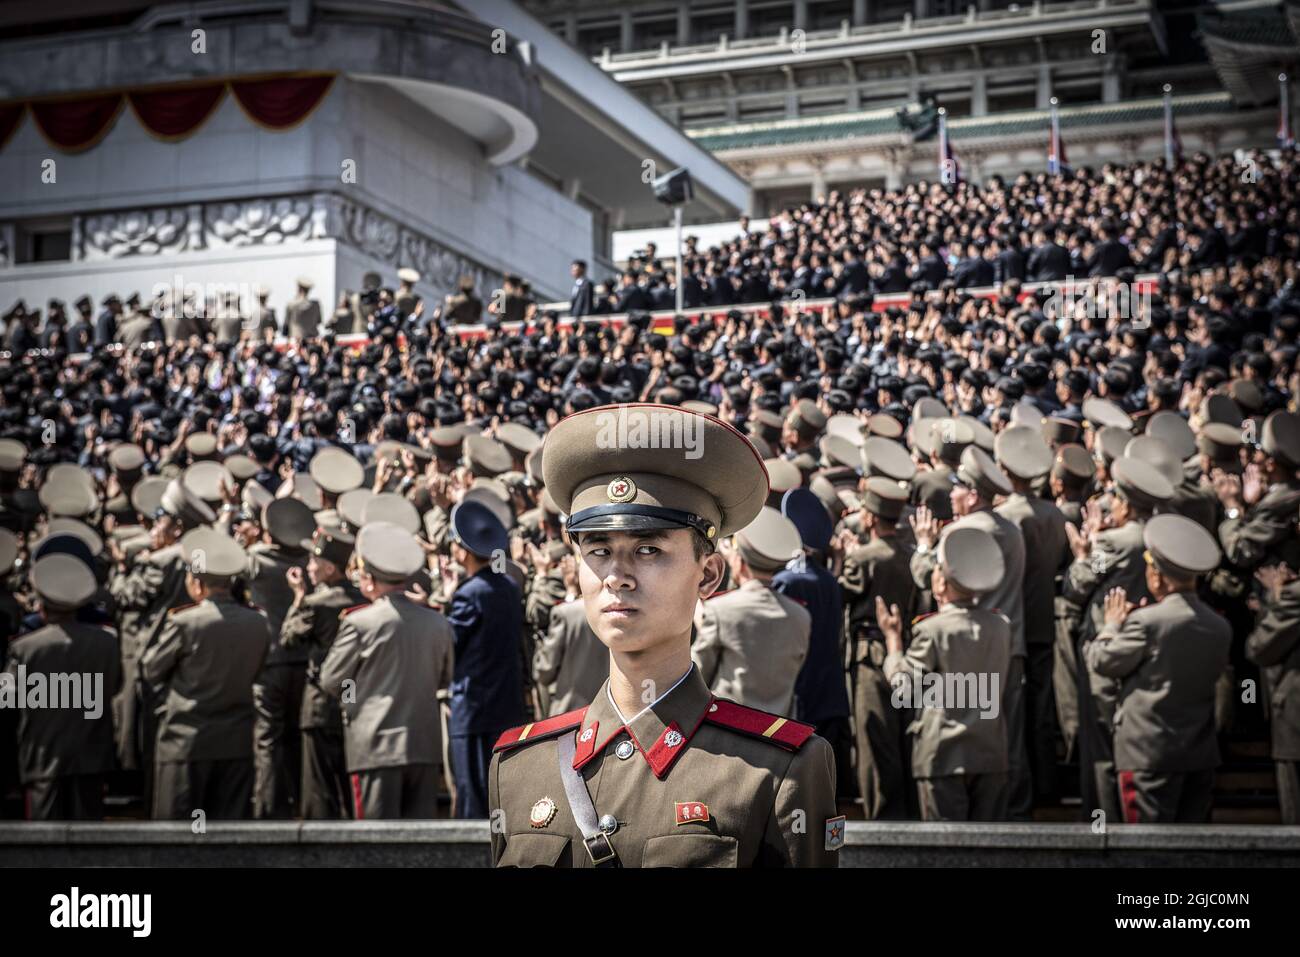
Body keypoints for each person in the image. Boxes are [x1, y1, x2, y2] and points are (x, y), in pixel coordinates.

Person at [488, 403, 838, 868]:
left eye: (648, 549)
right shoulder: (518, 767)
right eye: (598, 549)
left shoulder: (777, 771)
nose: (617, 575)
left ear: (709, 574)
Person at [1085, 515, 1231, 823]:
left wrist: (1110, 627)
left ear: (1158, 577)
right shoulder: (1219, 626)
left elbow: (1101, 661)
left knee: (1146, 850)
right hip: (1198, 753)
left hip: (1147, 756)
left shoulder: (1146, 622)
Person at [319, 521, 454, 819]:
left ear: (369, 578)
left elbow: (330, 680)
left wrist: (352, 701)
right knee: (420, 847)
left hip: (374, 748)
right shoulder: (437, 622)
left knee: (373, 847)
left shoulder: (359, 622)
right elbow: (445, 678)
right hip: (423, 746)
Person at [879, 525, 1012, 821]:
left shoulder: (932, 629)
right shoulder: (1001, 626)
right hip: (991, 755)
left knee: (944, 851)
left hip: (943, 756)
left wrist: (893, 641)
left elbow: (902, 686)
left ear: (941, 585)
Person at [143, 528, 273, 820]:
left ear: (197, 584)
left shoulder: (185, 623)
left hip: (186, 743)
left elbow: (151, 669)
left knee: (178, 840)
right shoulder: (258, 623)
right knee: (229, 838)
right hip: (237, 742)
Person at [4, 554, 121, 820]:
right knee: (89, 839)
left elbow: (6, 700)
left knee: (42, 843)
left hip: (41, 755)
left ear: (42, 606)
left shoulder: (23, 648)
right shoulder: (108, 642)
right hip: (91, 754)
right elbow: (114, 686)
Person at [445, 499, 526, 819]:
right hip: (506, 708)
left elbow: (450, 646)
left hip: (474, 712)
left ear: (463, 552)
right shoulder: (508, 587)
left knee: (472, 801)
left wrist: (447, 599)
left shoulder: (468, 593)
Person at [280, 523, 365, 820]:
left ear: (330, 569)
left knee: (319, 790)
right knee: (351, 786)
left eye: (314, 561)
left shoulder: (314, 603)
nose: (309, 566)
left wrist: (298, 597)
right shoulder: (362, 598)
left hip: (318, 705)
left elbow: (287, 640)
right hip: (356, 704)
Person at [692, 506, 811, 714]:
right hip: (780, 734)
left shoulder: (720, 610)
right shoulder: (801, 615)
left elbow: (696, 677)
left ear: (739, 560)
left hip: (730, 731)